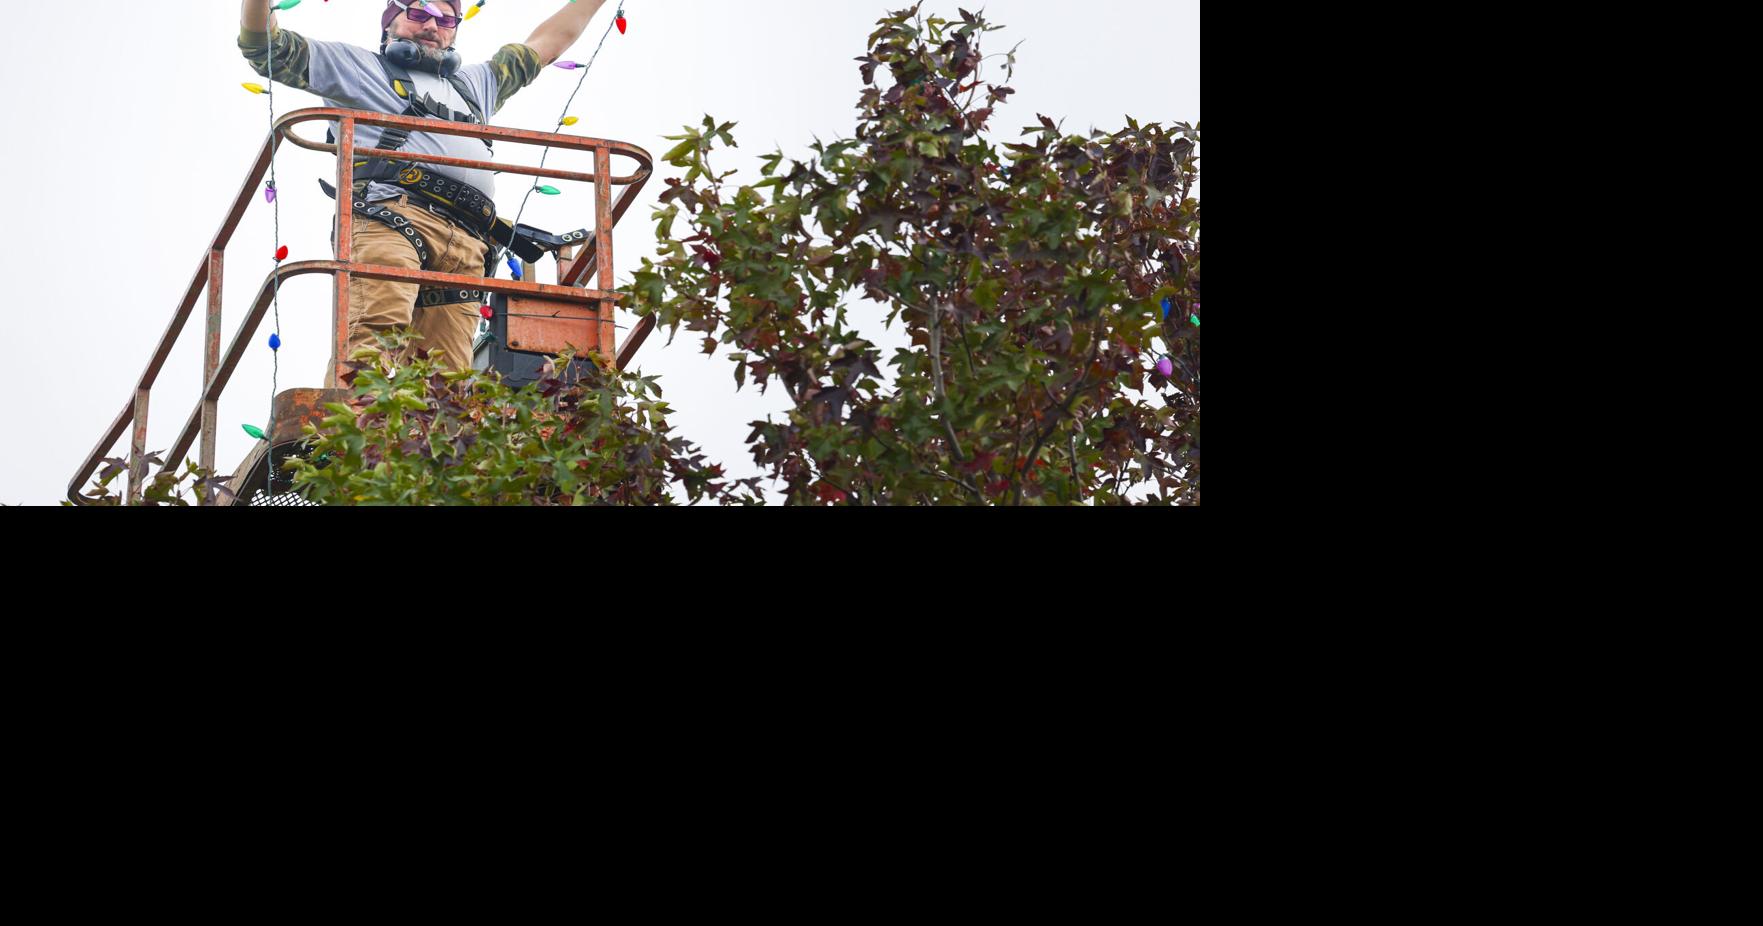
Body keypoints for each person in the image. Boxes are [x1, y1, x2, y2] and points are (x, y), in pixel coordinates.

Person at [237, 0, 612, 377]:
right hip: (390, 217)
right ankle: (352, 428)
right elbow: (265, 46)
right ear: (390, 22)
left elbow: (548, 42)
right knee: (375, 341)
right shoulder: (356, 67)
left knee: (447, 381)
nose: (433, 25)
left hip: (468, 243)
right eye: (419, 13)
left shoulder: (473, 85)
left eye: (446, 18)